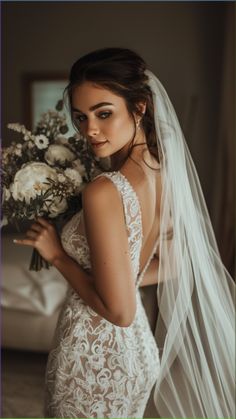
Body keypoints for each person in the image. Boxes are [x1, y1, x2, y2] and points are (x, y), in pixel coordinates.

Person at [14, 48, 235, 419]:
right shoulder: (163, 174)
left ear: (140, 107)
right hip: (136, 353)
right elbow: (176, 262)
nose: (89, 130)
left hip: (90, 357)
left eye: (104, 113)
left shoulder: (104, 191)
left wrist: (57, 255)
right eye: (80, 118)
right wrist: (118, 279)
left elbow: (118, 311)